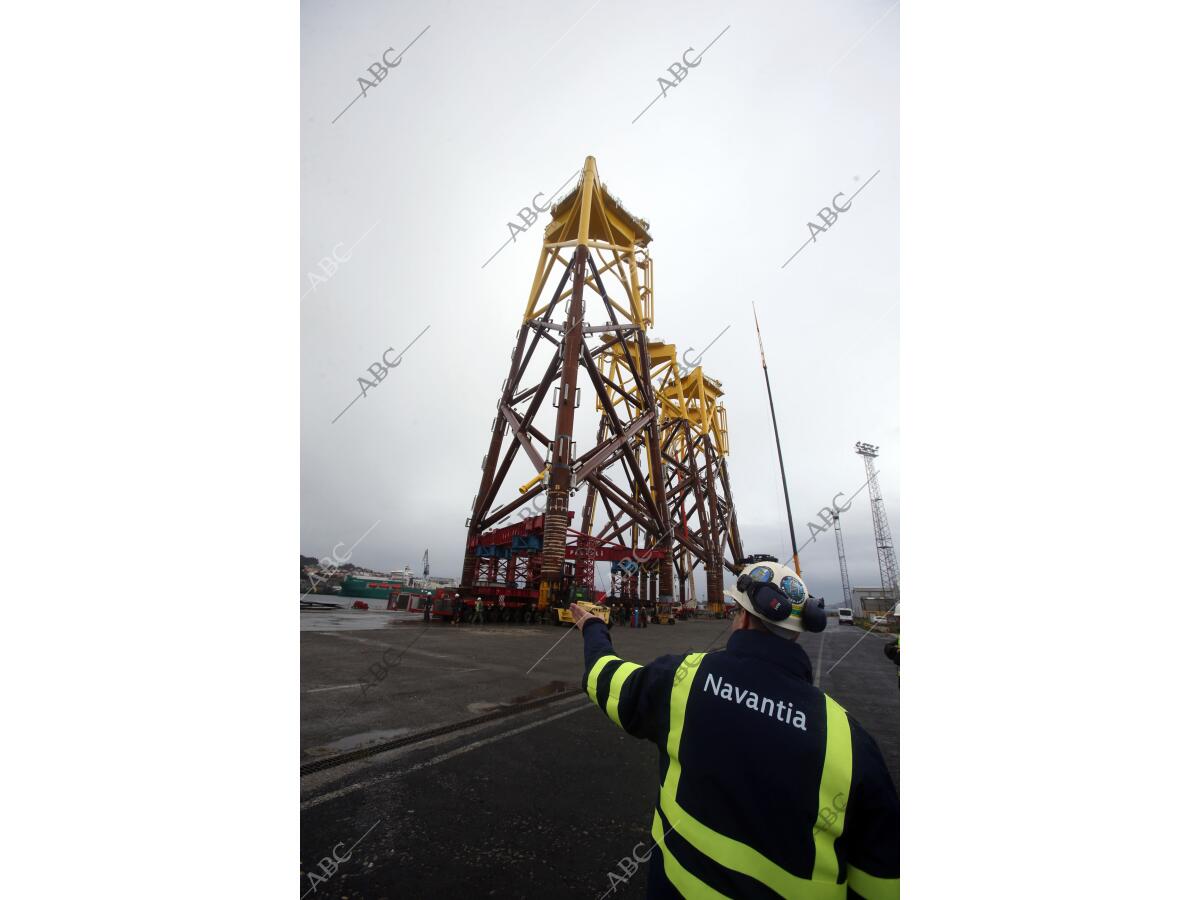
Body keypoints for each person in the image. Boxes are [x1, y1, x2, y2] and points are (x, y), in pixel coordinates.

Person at [570, 555, 899, 899]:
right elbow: (884, 884)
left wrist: (594, 628)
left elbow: (604, 677)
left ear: (741, 618)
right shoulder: (852, 744)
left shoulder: (683, 680)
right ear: (798, 634)